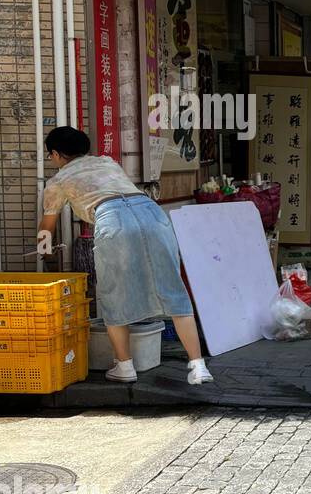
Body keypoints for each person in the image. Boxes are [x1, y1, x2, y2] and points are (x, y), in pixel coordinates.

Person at [38, 127, 213, 385]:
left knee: (113, 294)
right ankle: (198, 367)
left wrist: (43, 250)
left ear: (55, 154)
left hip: (112, 218)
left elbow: (47, 227)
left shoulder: (58, 181)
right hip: (151, 212)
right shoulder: (107, 162)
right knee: (173, 290)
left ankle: (125, 367)